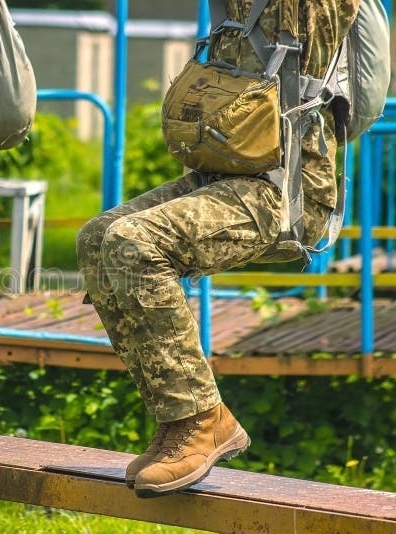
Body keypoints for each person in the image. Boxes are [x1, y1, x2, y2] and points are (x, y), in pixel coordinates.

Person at [77, 0, 359, 498]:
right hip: (226, 175)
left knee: (134, 243)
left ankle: (200, 418)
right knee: (99, 238)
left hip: (285, 192)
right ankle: (176, 421)